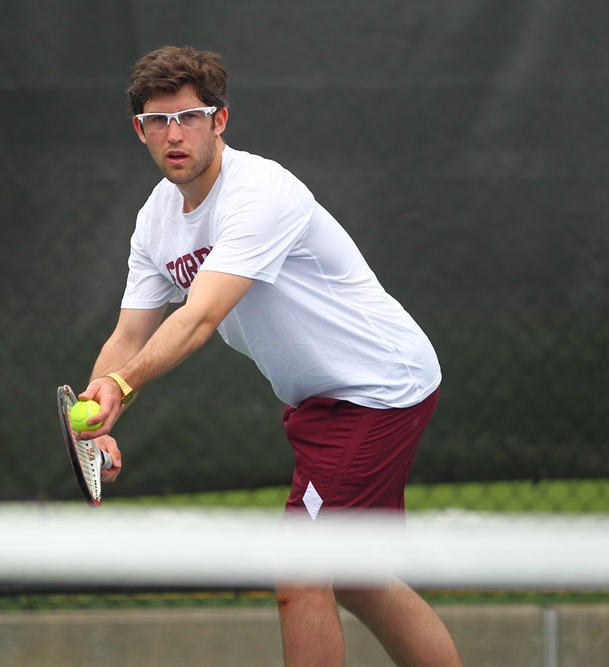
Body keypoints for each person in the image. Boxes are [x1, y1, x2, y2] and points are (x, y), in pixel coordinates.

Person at [76, 45, 462, 667]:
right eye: (158, 121)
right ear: (138, 130)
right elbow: (129, 335)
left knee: (300, 570)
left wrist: (122, 383)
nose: (175, 135)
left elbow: (200, 317)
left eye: (191, 116)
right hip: (325, 401)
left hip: (377, 388)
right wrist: (102, 412)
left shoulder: (261, 192)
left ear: (220, 120)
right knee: (357, 576)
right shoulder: (155, 220)